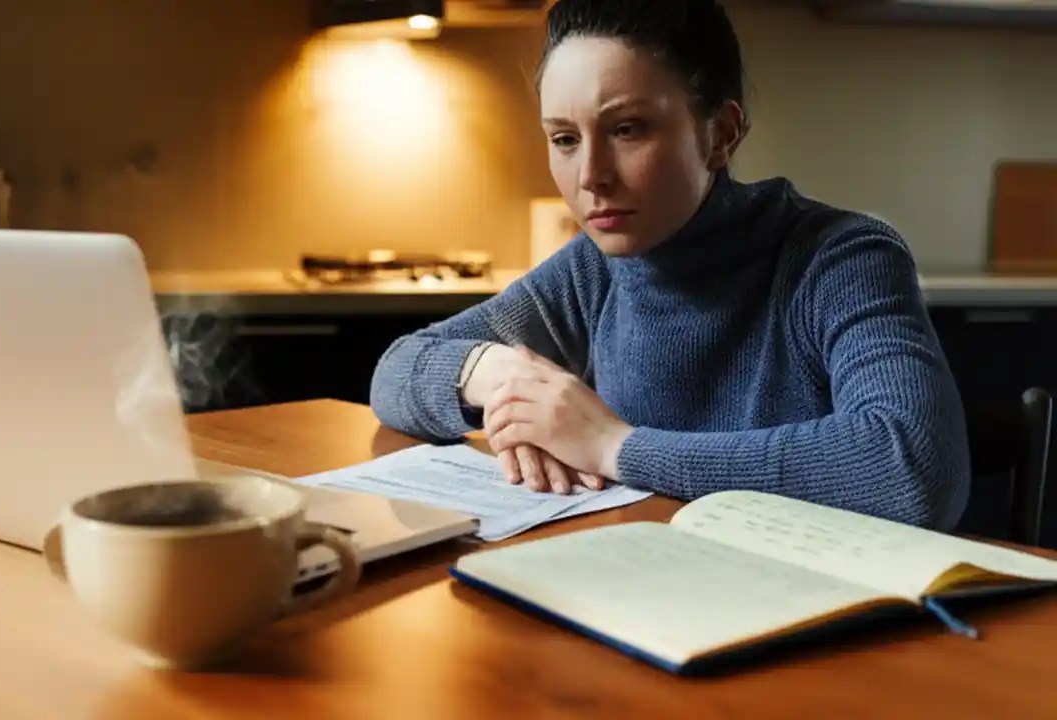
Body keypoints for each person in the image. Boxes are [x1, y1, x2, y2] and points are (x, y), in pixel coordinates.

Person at [368, 0, 970, 530]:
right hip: (635, 585)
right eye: (565, 139)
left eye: (627, 129)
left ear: (721, 134)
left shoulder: (840, 258)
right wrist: (502, 376)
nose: (590, 177)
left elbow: (913, 467)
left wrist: (614, 448)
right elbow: (394, 373)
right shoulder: (591, 271)